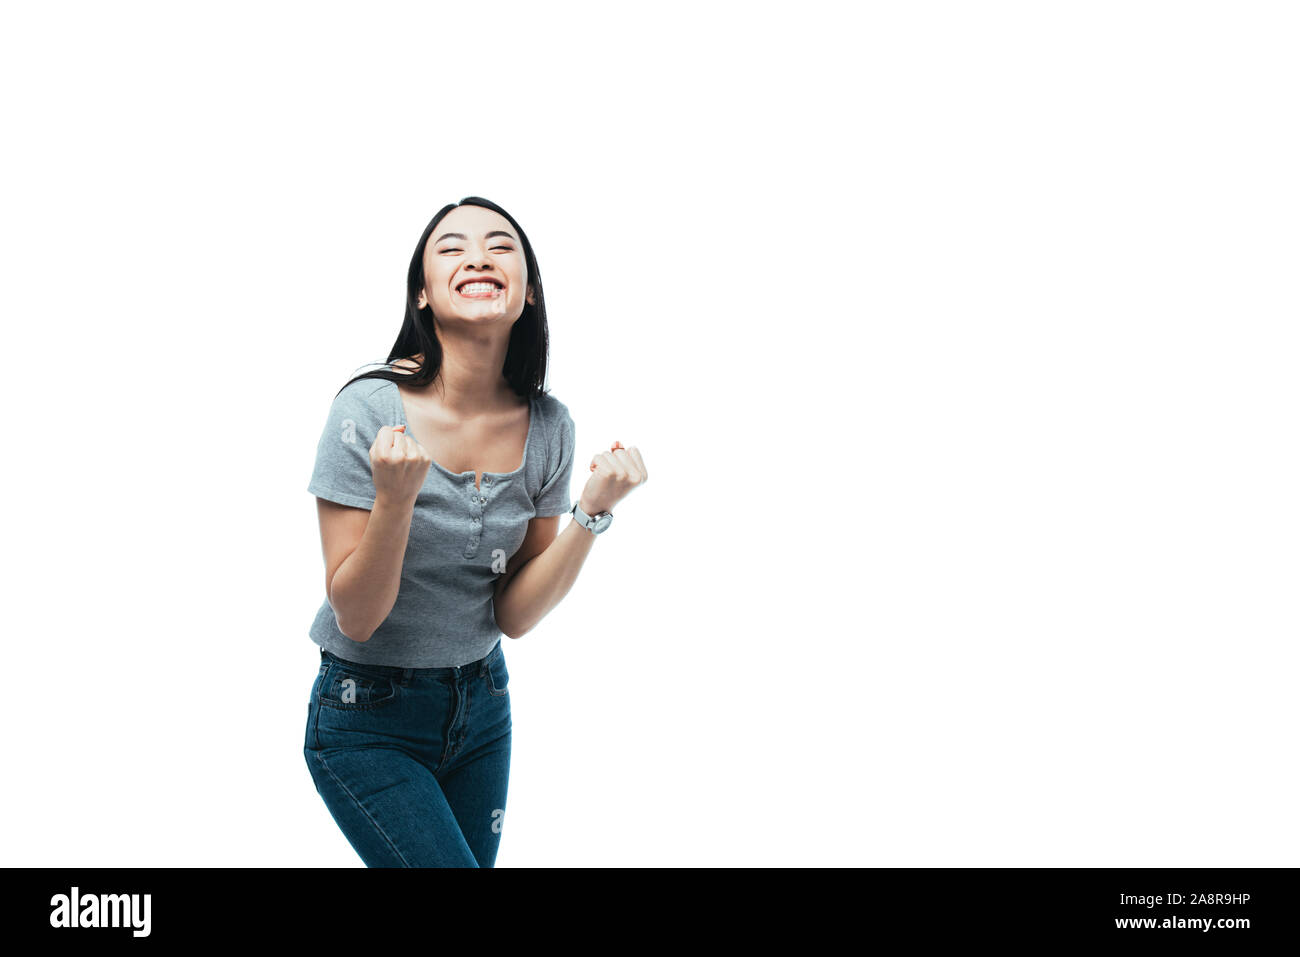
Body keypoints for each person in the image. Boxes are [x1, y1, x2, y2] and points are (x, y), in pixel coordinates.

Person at [302, 196, 647, 866]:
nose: (479, 255)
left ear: (528, 293)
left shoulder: (550, 426)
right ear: (423, 293)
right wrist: (394, 502)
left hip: (481, 709)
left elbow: (514, 613)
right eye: (452, 247)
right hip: (366, 716)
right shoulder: (367, 409)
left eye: (501, 244)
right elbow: (358, 615)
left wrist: (590, 512)